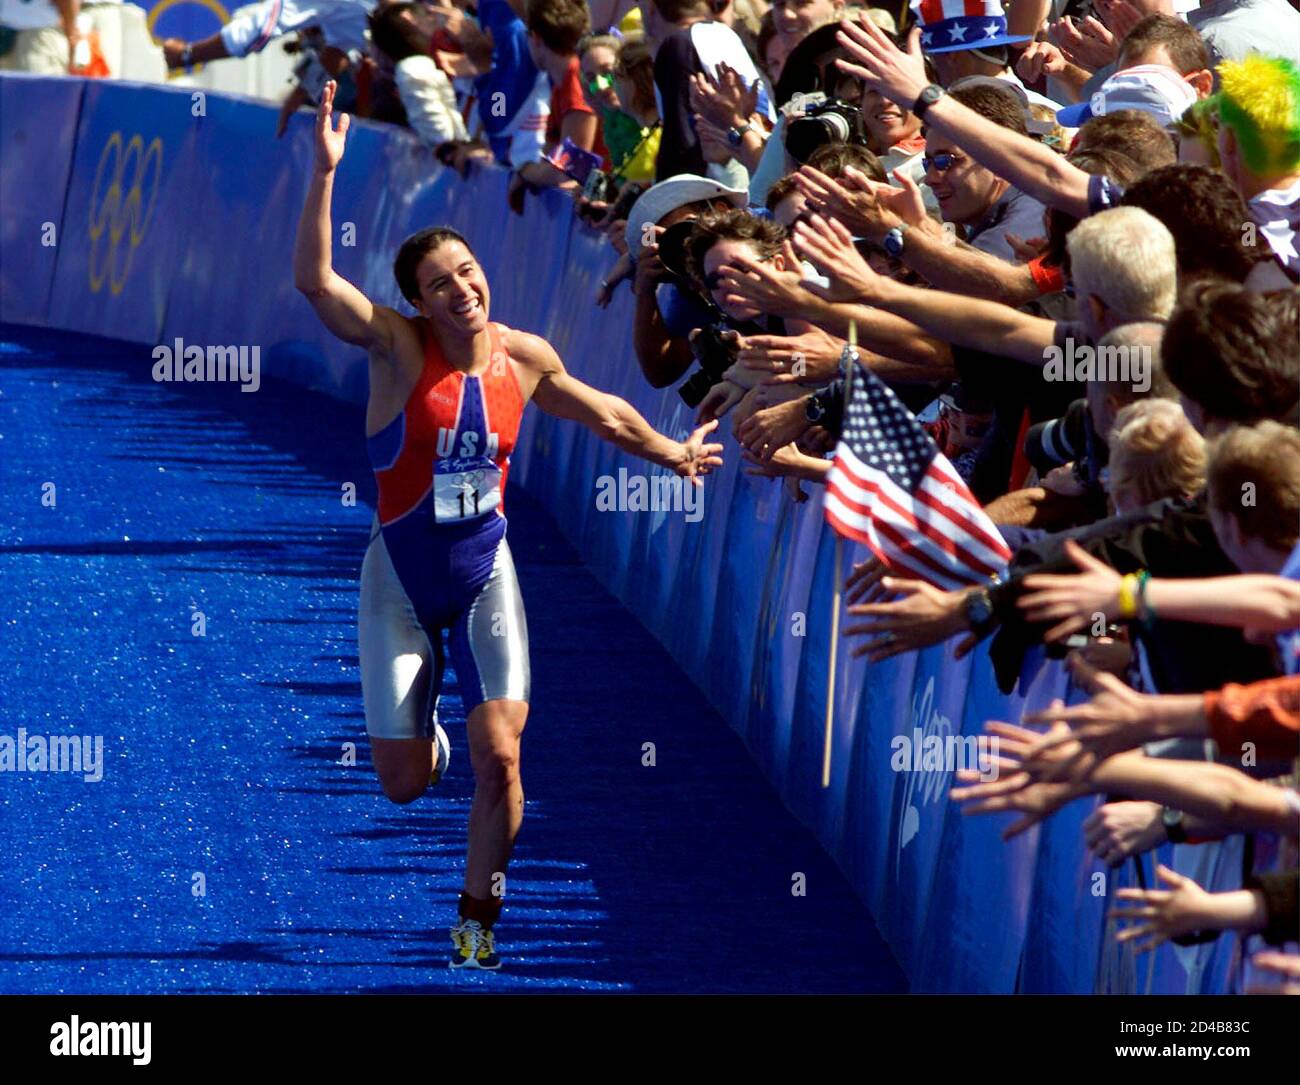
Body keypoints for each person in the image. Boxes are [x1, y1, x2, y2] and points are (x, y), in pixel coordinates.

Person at [293, 81, 723, 970]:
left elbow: (604, 411)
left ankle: (476, 921)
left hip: (487, 571)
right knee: (406, 785)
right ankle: (428, 740)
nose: (461, 291)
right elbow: (315, 282)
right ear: (415, 302)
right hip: (402, 584)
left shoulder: (523, 357)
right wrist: (325, 176)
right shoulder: (396, 348)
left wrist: (674, 456)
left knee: (505, 756)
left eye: (467, 272)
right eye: (438, 285)